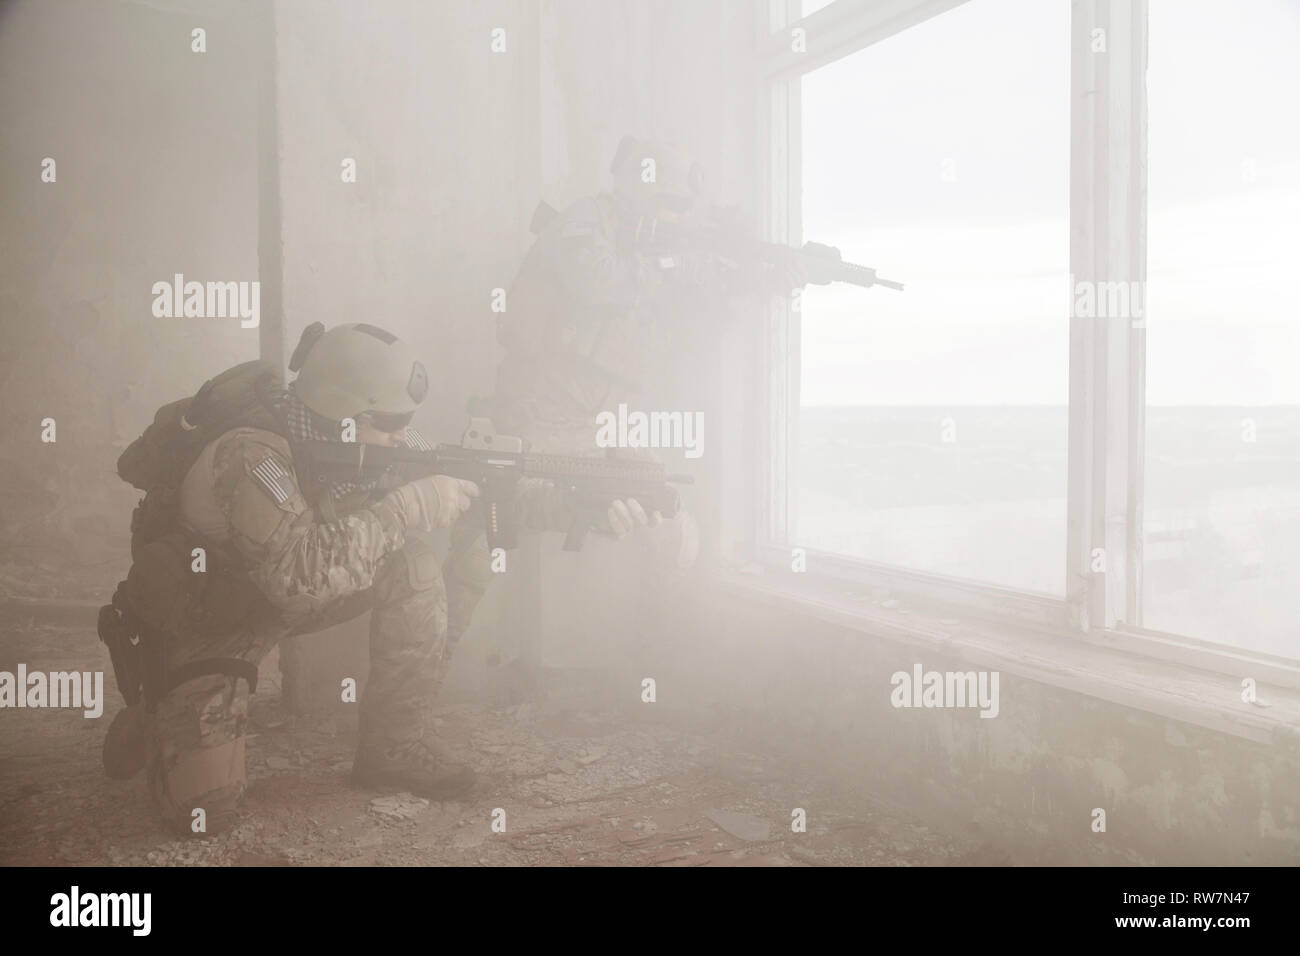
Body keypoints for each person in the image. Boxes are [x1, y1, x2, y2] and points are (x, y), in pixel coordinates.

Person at [100, 321, 647, 836]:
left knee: (412, 566)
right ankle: (154, 716)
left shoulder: (374, 439)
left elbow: (475, 485)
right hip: (213, 620)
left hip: (280, 602)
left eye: (404, 421)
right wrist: (409, 508)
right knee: (203, 814)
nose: (402, 435)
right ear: (343, 414)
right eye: (389, 422)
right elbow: (296, 574)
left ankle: (392, 746)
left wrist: (580, 510)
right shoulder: (249, 455)